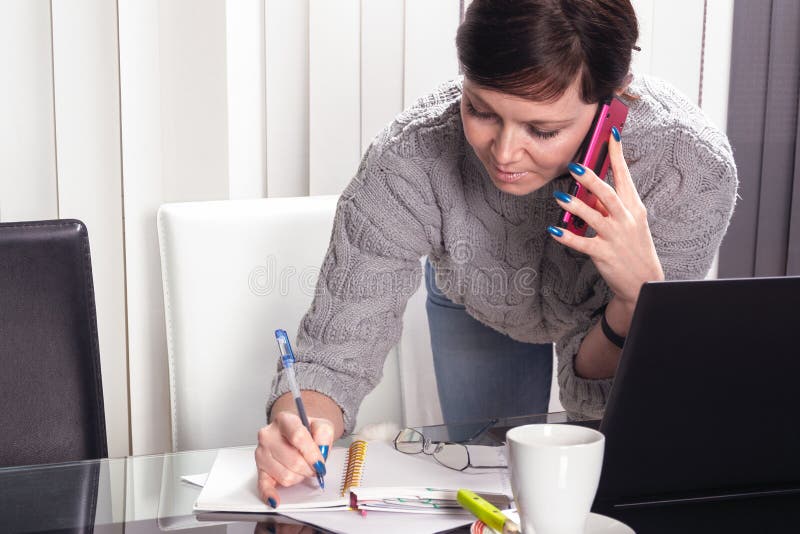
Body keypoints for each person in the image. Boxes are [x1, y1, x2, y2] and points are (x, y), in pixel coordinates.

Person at [254, 0, 738, 505]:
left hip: (609, 321)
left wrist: (638, 300)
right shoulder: (410, 158)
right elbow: (334, 356)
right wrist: (298, 426)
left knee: (600, 487)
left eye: (543, 130)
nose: (504, 154)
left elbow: (603, 404)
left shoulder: (687, 170)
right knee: (488, 485)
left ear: (611, 104)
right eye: (480, 110)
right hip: (479, 296)